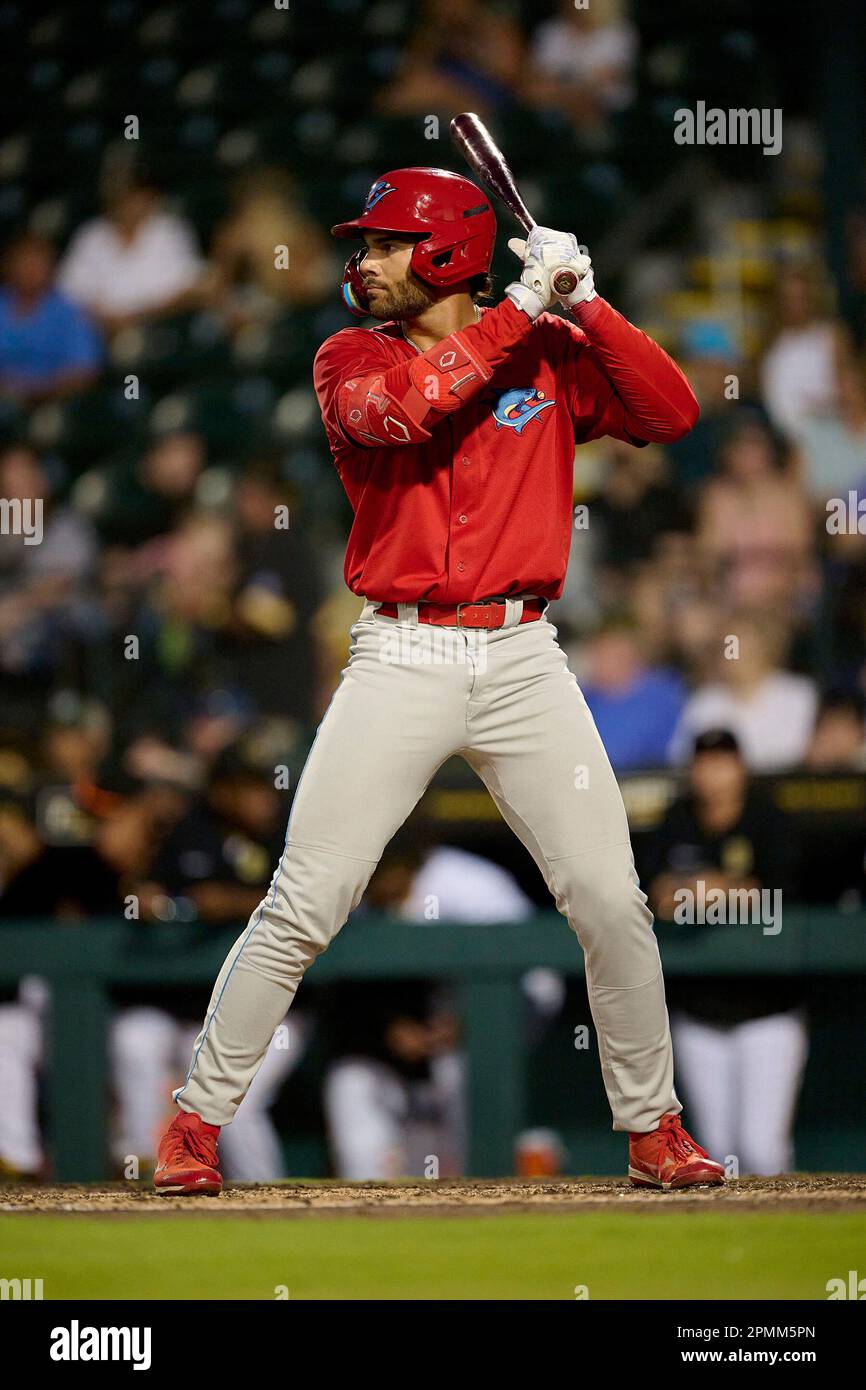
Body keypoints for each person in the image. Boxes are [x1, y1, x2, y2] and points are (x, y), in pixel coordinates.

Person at [154, 165, 724, 1195]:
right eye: (361, 244)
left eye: (383, 244)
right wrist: (516, 307)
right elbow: (407, 413)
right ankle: (195, 1123)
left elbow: (670, 411)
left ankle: (652, 1129)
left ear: (449, 251)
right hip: (401, 647)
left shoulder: (545, 349)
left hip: (521, 652)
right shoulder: (348, 356)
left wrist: (587, 304)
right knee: (307, 900)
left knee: (607, 896)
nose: (360, 262)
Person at [645, 730, 807, 1175]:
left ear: (741, 768)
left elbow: (782, 893)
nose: (713, 774)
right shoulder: (677, 819)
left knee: (763, 1150)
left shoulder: (767, 819)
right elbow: (653, 891)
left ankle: (784, 1238)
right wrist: (697, 892)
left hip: (768, 1010)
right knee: (718, 1150)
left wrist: (719, 890)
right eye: (705, 763)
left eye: (723, 762)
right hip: (700, 1011)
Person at [58, 168, 203, 334]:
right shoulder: (91, 235)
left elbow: (191, 289)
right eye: (123, 196)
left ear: (149, 197)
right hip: (99, 331)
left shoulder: (171, 231)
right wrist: (106, 321)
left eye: (135, 195)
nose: (130, 204)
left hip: (160, 326)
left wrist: (139, 317)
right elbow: (70, 293)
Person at [0, 231, 102, 405]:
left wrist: (31, 391)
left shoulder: (70, 312)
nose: (30, 270)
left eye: (37, 263)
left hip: (50, 404)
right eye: (23, 262)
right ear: (7, 266)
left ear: (52, 267)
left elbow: (83, 372)